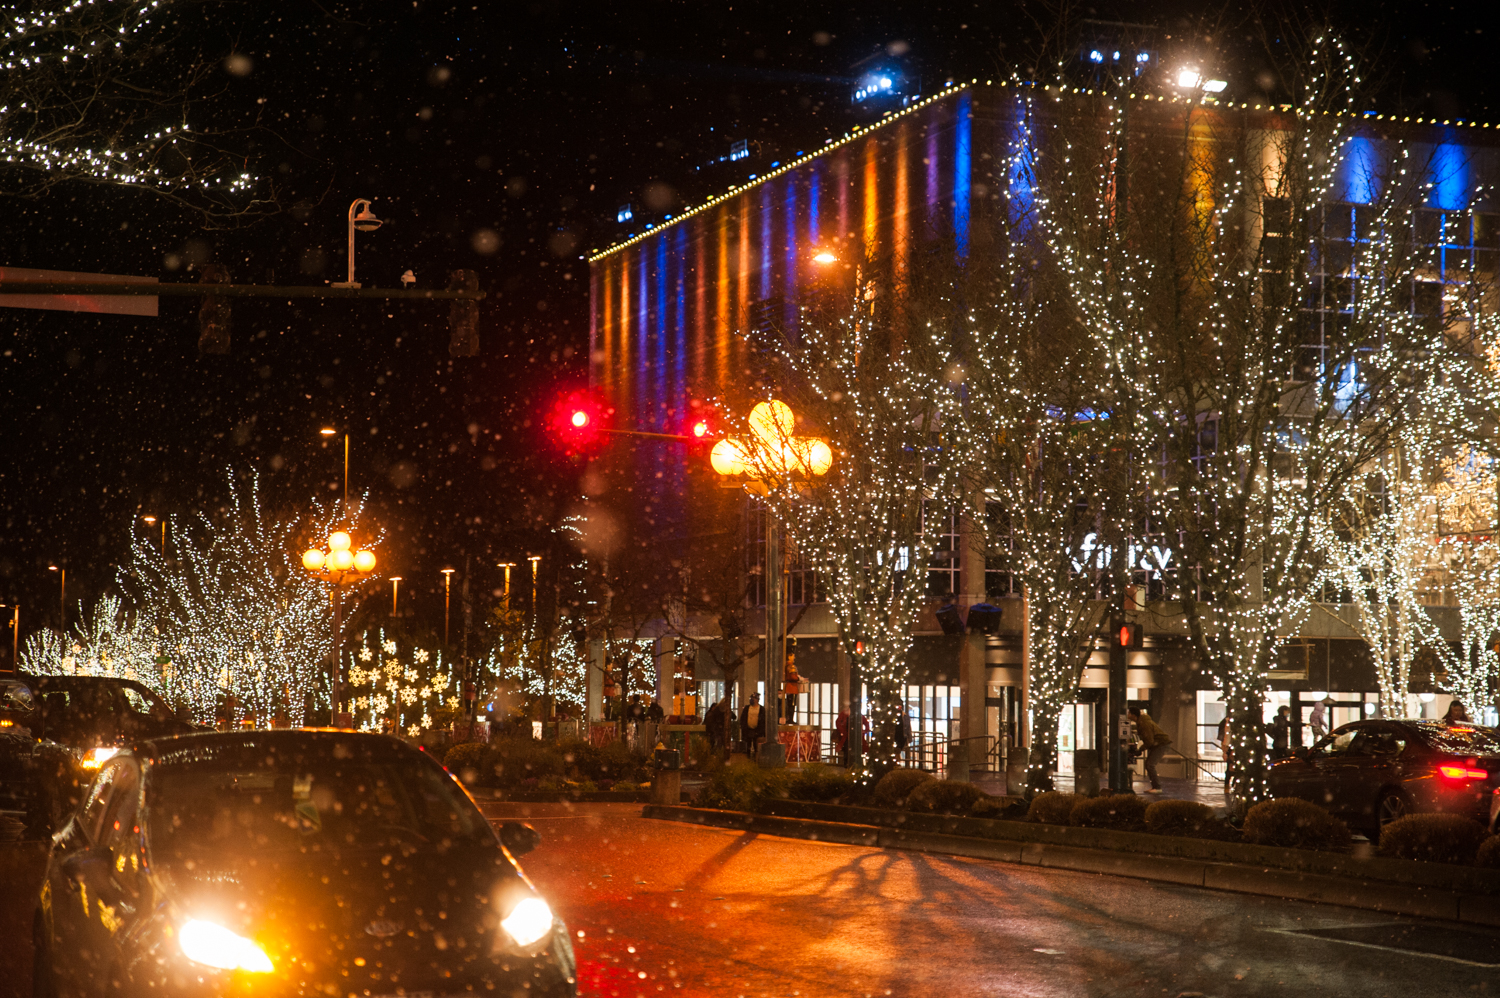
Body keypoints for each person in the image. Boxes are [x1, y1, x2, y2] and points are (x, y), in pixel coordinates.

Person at [1130, 707, 1173, 793]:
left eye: (1129, 713)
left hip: (1161, 744)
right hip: (1160, 744)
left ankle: (1157, 787)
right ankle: (1155, 787)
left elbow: (1149, 741)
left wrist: (1140, 749)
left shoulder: (1143, 723)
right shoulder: (1142, 721)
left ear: (1133, 715)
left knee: (1150, 764)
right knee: (1149, 764)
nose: (1127, 715)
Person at [740, 693, 766, 759]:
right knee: (748, 746)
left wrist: (761, 731)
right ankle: (748, 759)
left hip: (757, 730)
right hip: (748, 729)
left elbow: (763, 721)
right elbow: (743, 718)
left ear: (757, 700)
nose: (751, 700)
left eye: (753, 699)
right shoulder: (747, 708)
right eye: (751, 698)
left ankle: (755, 759)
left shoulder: (761, 709)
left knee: (756, 746)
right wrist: (743, 727)